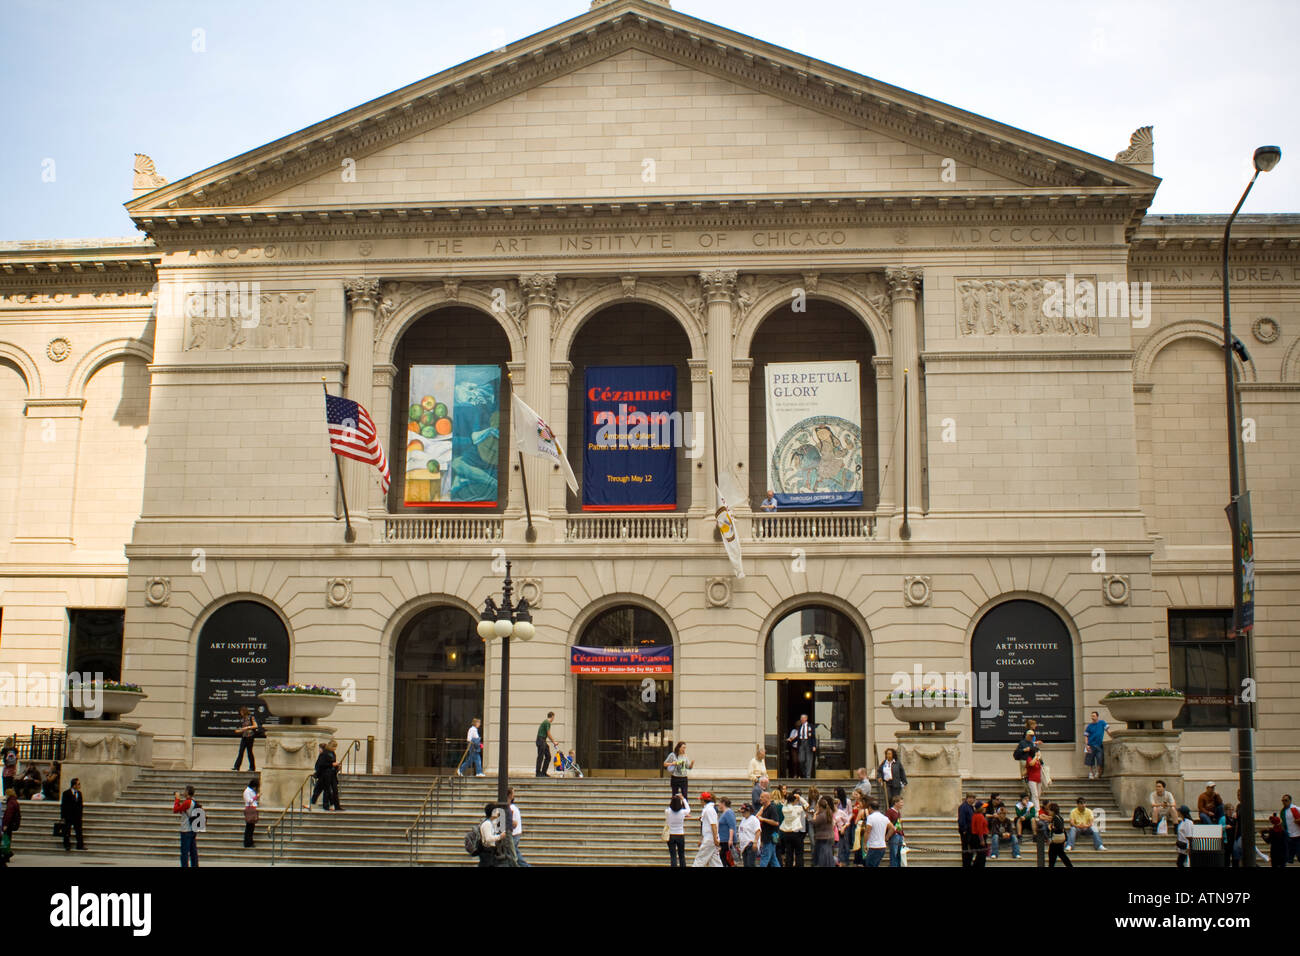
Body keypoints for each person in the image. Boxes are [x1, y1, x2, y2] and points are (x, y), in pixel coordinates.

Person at [173, 785, 202, 867]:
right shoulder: (193, 801)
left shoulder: (187, 802)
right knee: (193, 852)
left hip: (186, 830)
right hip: (192, 830)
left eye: (185, 790)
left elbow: (175, 809)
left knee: (184, 853)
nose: (183, 792)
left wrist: (177, 799)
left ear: (187, 792)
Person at [780, 787, 809, 867]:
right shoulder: (797, 808)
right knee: (799, 853)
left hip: (786, 833)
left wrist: (789, 798)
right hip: (796, 833)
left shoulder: (784, 808)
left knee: (789, 854)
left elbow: (786, 803)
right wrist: (800, 798)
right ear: (794, 801)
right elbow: (807, 805)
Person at [693, 791, 723, 867]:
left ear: (703, 800)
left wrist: (715, 838)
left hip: (709, 839)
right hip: (710, 838)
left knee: (699, 860)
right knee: (715, 862)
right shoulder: (709, 809)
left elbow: (713, 825)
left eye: (701, 800)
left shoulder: (709, 810)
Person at [861, 799, 892, 867]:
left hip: (873, 846)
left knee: (869, 864)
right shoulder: (884, 818)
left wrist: (864, 843)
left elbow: (867, 831)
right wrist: (886, 837)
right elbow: (892, 828)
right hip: (882, 846)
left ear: (870, 808)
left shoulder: (870, 818)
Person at [757, 790, 782, 867]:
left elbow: (776, 822)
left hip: (770, 837)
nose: (760, 798)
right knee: (773, 859)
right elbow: (756, 817)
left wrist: (763, 819)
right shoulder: (764, 808)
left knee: (765, 857)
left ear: (767, 798)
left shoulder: (772, 808)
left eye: (762, 797)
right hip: (767, 837)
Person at [477, 802, 505, 867]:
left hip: (490, 851)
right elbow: (488, 838)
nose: (498, 813)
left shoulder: (490, 822)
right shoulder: (487, 824)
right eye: (496, 811)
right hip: (487, 851)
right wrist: (500, 836)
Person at [60, 777, 85, 851]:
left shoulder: (79, 793)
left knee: (79, 831)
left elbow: (80, 805)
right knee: (67, 831)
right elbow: (63, 805)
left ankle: (80, 845)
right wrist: (63, 816)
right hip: (69, 816)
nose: (80, 786)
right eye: (78, 784)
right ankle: (67, 845)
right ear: (74, 785)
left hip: (77, 816)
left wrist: (80, 815)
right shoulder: (66, 793)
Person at [506, 787, 529, 867]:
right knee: (514, 853)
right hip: (515, 833)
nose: (514, 795)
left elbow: (514, 823)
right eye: (513, 792)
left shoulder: (511, 808)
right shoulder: (512, 807)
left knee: (514, 854)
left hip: (513, 834)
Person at [665, 793, 689, 866]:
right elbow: (688, 809)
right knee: (681, 855)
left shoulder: (667, 811)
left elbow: (669, 808)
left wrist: (673, 800)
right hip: (680, 834)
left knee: (673, 856)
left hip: (671, 835)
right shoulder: (683, 812)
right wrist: (683, 799)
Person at [232, 705, 259, 772]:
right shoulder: (243, 719)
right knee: (241, 751)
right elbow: (244, 729)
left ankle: (252, 767)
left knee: (249, 752)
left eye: (241, 712)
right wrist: (239, 730)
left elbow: (255, 726)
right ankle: (236, 767)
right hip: (244, 736)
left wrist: (247, 728)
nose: (241, 713)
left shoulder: (251, 717)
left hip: (250, 736)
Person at [812, 796, 835, 866]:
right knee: (828, 854)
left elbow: (814, 822)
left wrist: (815, 814)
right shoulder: (829, 813)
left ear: (820, 807)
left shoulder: (821, 816)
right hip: (829, 836)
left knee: (822, 856)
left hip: (822, 838)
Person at [1084, 710, 1108, 780]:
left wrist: (1113, 737)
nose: (1092, 717)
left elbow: (1108, 730)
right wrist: (1086, 745)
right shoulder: (1089, 726)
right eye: (1091, 716)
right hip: (1090, 745)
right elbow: (1086, 736)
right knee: (1089, 760)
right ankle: (1091, 773)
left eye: (1093, 716)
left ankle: (1098, 772)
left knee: (1100, 759)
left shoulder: (1102, 723)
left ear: (1097, 716)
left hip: (1099, 745)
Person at [1047, 802, 1071, 867]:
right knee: (1061, 855)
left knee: (1052, 856)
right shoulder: (1060, 817)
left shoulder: (1055, 818)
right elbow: (1063, 829)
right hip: (1060, 840)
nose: (1048, 811)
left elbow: (1059, 828)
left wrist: (1051, 827)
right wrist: (1065, 839)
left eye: (1049, 810)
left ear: (1053, 811)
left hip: (1056, 841)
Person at [793, 714, 817, 778]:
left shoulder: (811, 726)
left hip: (808, 743)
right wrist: (791, 740)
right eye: (801, 718)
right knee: (801, 760)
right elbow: (798, 736)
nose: (801, 719)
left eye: (803, 718)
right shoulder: (800, 726)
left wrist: (814, 745)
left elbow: (813, 737)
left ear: (806, 719)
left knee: (809, 760)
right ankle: (804, 772)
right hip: (801, 743)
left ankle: (808, 776)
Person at [833, 787, 852, 866]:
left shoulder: (847, 801)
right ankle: (839, 861)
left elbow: (850, 812)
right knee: (839, 845)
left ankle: (845, 861)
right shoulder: (835, 802)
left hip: (845, 824)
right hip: (837, 825)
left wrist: (848, 821)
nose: (835, 794)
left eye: (836, 793)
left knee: (846, 845)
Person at [969, 795, 989, 867]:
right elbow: (979, 829)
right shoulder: (980, 816)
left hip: (976, 837)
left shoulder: (975, 815)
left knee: (980, 855)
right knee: (982, 856)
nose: (985, 808)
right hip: (979, 838)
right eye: (984, 807)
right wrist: (982, 840)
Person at [310, 743, 332, 810]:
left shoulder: (323, 755)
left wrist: (316, 774)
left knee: (317, 790)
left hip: (323, 776)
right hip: (326, 776)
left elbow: (321, 766)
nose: (318, 750)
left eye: (319, 748)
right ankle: (327, 805)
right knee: (326, 791)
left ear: (322, 749)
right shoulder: (328, 754)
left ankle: (312, 803)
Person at [535, 711, 557, 777]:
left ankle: (543, 772)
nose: (553, 719)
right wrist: (554, 742)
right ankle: (538, 773)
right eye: (554, 717)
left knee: (548, 756)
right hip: (541, 740)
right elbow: (548, 733)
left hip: (542, 740)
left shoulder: (546, 722)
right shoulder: (547, 722)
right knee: (540, 756)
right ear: (552, 716)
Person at [886, 796, 906, 867]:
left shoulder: (898, 812)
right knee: (894, 853)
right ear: (896, 803)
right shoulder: (890, 811)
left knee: (898, 853)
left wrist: (903, 835)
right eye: (901, 802)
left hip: (899, 834)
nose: (902, 804)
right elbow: (887, 823)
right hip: (894, 835)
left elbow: (900, 824)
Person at [1023, 738, 1043, 810]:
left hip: (1038, 779)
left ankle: (1031, 807)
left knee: (1038, 795)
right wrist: (1035, 757)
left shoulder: (1038, 759)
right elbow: (1031, 764)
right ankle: (1037, 810)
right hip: (1032, 779)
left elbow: (1042, 767)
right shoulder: (1029, 758)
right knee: (1035, 795)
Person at [716, 797, 737, 866]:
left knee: (726, 859)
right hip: (723, 840)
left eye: (720, 803)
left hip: (727, 840)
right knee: (724, 858)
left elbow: (731, 826)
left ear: (723, 803)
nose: (718, 804)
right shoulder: (724, 813)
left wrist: (730, 839)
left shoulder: (729, 812)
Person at [958, 793, 976, 867]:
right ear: (968, 798)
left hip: (971, 831)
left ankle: (969, 862)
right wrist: (964, 830)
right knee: (966, 848)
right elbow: (961, 819)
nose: (973, 800)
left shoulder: (970, 807)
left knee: (970, 848)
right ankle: (966, 864)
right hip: (966, 831)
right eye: (972, 798)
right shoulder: (963, 807)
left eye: (974, 798)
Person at [1, 788, 19, 866]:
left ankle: (7, 854)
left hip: (9, 824)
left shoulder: (11, 803)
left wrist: (5, 825)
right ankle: (7, 853)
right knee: (7, 839)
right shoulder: (14, 801)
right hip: (12, 824)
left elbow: (9, 814)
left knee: (6, 839)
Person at [325, 739, 344, 811]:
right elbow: (323, 764)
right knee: (327, 791)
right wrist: (332, 764)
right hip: (326, 774)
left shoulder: (333, 753)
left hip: (332, 774)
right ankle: (326, 805)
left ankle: (337, 806)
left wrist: (337, 767)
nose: (335, 748)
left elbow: (333, 763)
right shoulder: (325, 753)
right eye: (334, 747)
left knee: (335, 790)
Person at [1281, 794, 1300, 865]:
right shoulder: (1283, 811)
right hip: (1289, 837)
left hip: (1298, 836)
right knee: (1288, 858)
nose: (1284, 802)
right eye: (1283, 800)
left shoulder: (1295, 809)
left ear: (1290, 801)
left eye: (1286, 800)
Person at [242, 778, 259, 848]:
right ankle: (247, 842)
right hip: (250, 809)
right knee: (249, 827)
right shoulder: (247, 791)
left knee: (251, 827)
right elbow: (249, 800)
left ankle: (250, 841)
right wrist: (256, 797)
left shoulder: (250, 791)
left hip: (252, 808)